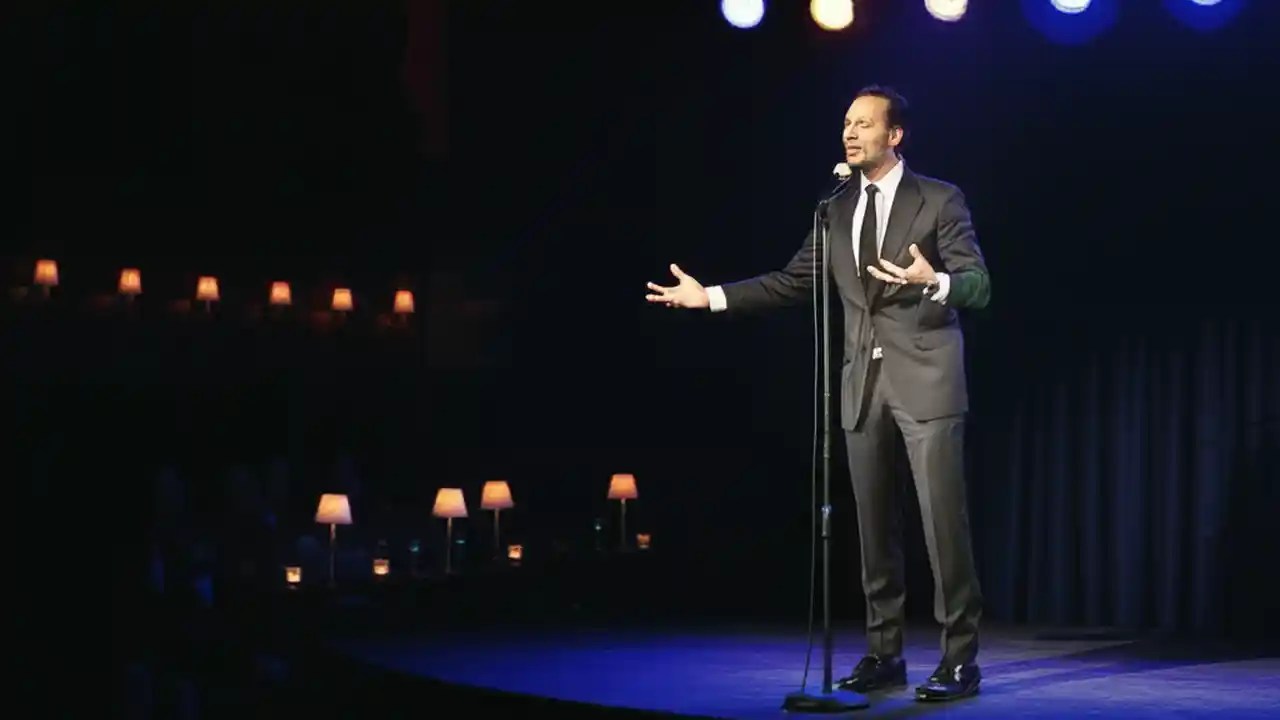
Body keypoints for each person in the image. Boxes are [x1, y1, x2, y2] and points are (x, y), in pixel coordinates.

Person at [644, 85, 989, 702]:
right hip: (861, 385)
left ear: (895, 135)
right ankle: (884, 654)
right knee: (873, 529)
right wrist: (711, 297)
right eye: (846, 123)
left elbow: (978, 284)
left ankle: (960, 660)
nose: (850, 133)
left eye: (864, 124)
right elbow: (791, 282)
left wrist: (935, 280)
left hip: (927, 380)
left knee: (942, 525)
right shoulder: (835, 208)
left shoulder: (939, 199)